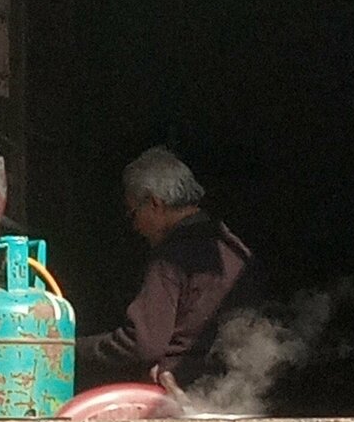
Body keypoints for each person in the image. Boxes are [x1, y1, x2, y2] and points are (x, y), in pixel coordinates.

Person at [76, 146, 258, 390]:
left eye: (133, 214)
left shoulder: (171, 257)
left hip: (182, 392)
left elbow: (143, 344)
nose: (135, 227)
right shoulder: (235, 249)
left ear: (155, 204)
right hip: (238, 390)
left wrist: (74, 348)